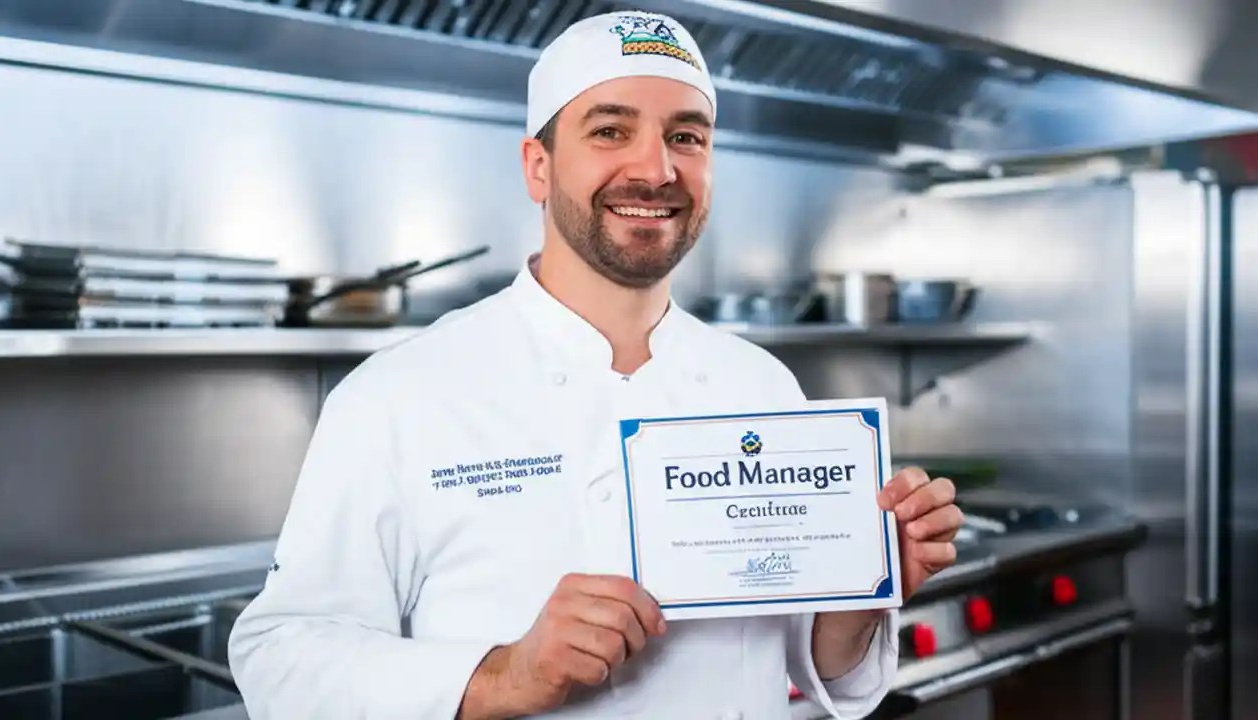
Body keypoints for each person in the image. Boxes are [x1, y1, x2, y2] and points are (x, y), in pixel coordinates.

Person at [227, 10, 962, 719]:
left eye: (687, 136)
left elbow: (817, 662)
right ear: (538, 167)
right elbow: (281, 659)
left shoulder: (761, 385)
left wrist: (864, 589)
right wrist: (503, 675)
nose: (656, 168)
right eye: (611, 130)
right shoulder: (399, 395)